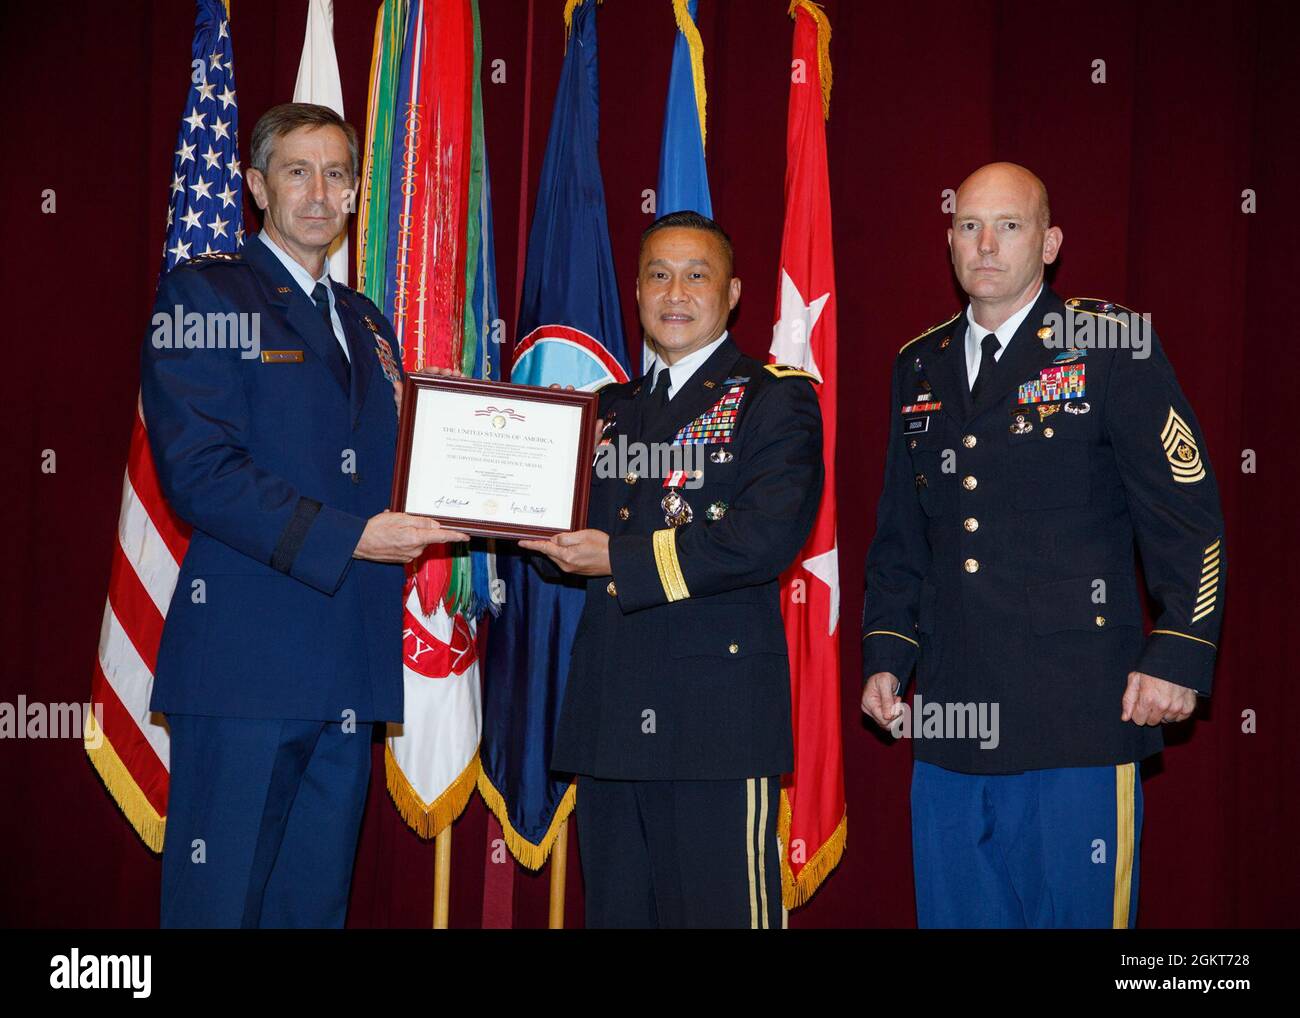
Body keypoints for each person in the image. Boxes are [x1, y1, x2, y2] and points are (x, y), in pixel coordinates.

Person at [860, 162, 1225, 928]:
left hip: (1079, 712)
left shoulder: (1108, 341)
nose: (986, 245)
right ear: (950, 238)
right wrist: (889, 655)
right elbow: (902, 533)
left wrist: (1181, 650)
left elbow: (1185, 513)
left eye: (1010, 226)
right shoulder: (917, 363)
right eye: (968, 225)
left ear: (1050, 242)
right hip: (952, 716)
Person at [141, 102, 467, 928]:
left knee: (311, 911)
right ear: (256, 184)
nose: (319, 193)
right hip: (246, 668)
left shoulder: (367, 322)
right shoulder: (204, 292)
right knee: (220, 908)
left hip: (349, 669)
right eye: (297, 171)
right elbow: (201, 474)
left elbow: (396, 467)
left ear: (358, 192)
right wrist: (356, 537)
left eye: (337, 174)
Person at [521, 211, 823, 928]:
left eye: (697, 275)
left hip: (713, 719)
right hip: (609, 711)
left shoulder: (772, 396)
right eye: (658, 275)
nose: (675, 292)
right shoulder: (606, 410)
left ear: (734, 293)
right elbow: (555, 530)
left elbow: (763, 539)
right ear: (635, 291)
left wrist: (617, 558)